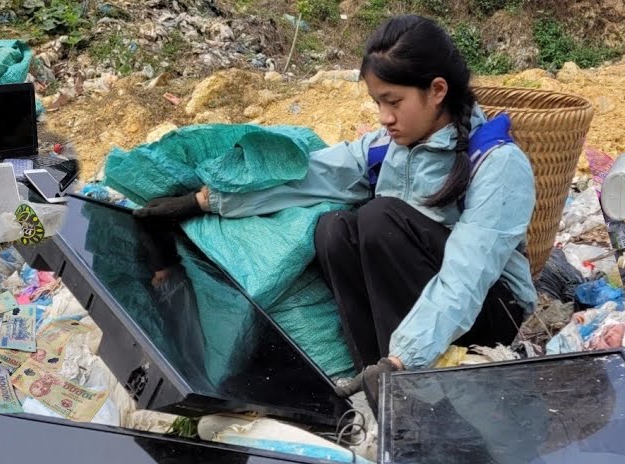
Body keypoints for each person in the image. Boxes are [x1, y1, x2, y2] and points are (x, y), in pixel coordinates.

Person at [135, 15, 537, 405]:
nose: (385, 117)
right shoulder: (386, 148)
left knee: (379, 220)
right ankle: (373, 377)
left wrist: (405, 357)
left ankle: (404, 379)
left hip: (490, 312)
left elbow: (466, 277)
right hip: (415, 318)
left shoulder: (497, 164)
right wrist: (205, 201)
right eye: (378, 102)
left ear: (436, 90)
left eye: (394, 101)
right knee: (333, 229)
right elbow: (309, 178)